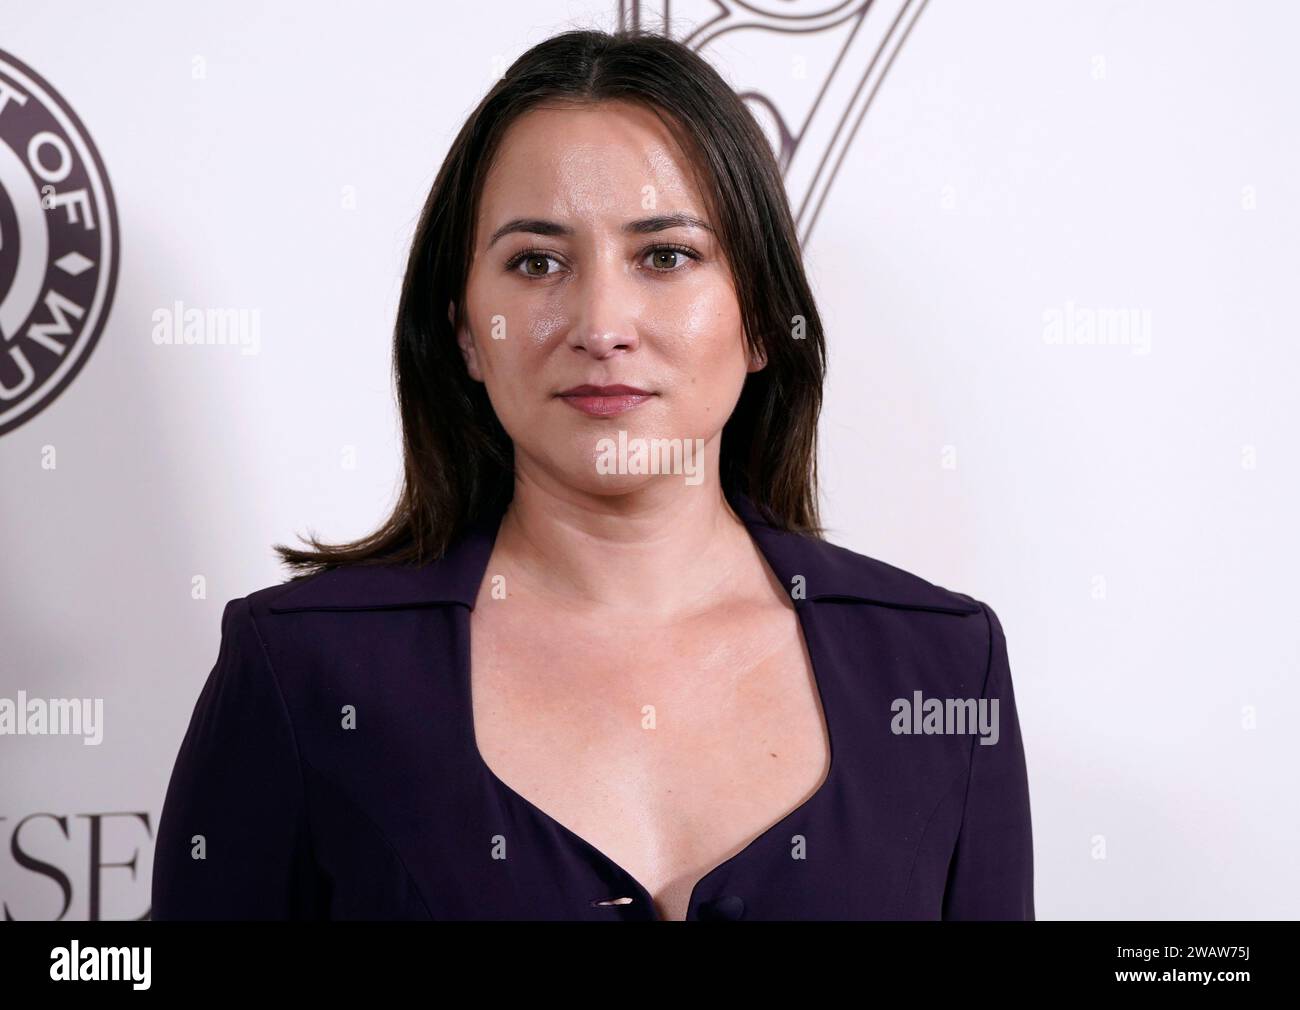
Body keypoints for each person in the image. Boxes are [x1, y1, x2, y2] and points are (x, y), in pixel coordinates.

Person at [151, 27, 1033, 922]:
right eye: (538, 262)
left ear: (763, 317)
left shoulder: (943, 668)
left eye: (666, 256)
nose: (602, 323)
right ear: (464, 329)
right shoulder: (303, 669)